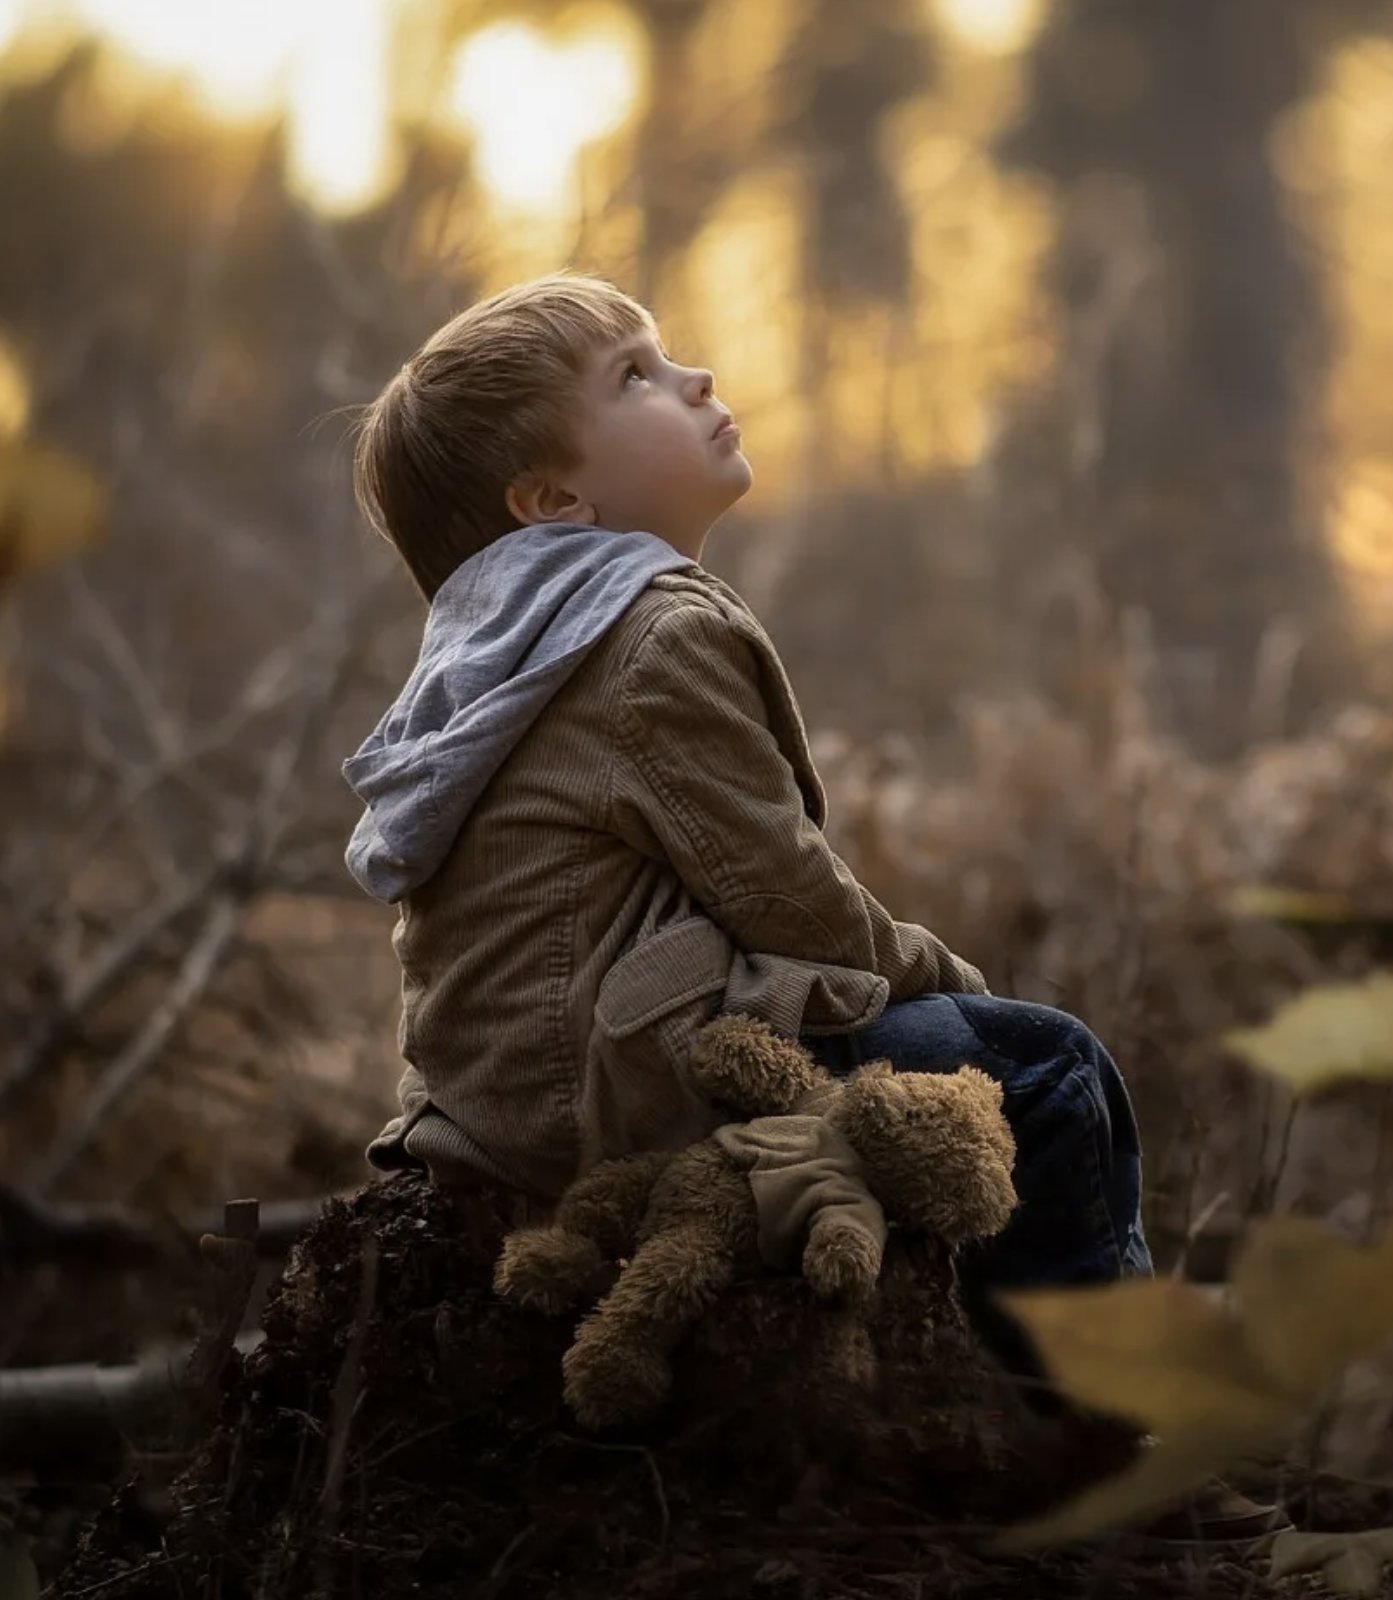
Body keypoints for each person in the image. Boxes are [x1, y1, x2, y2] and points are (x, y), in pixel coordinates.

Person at [342, 272, 1285, 1544]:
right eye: (635, 376)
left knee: (976, 1061)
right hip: (617, 1086)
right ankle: (1100, 1439)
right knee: (1045, 1067)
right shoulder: (644, 639)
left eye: (667, 355)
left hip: (508, 1090)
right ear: (553, 500)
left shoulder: (500, 643)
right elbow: (782, 890)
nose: (697, 382)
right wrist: (939, 973)